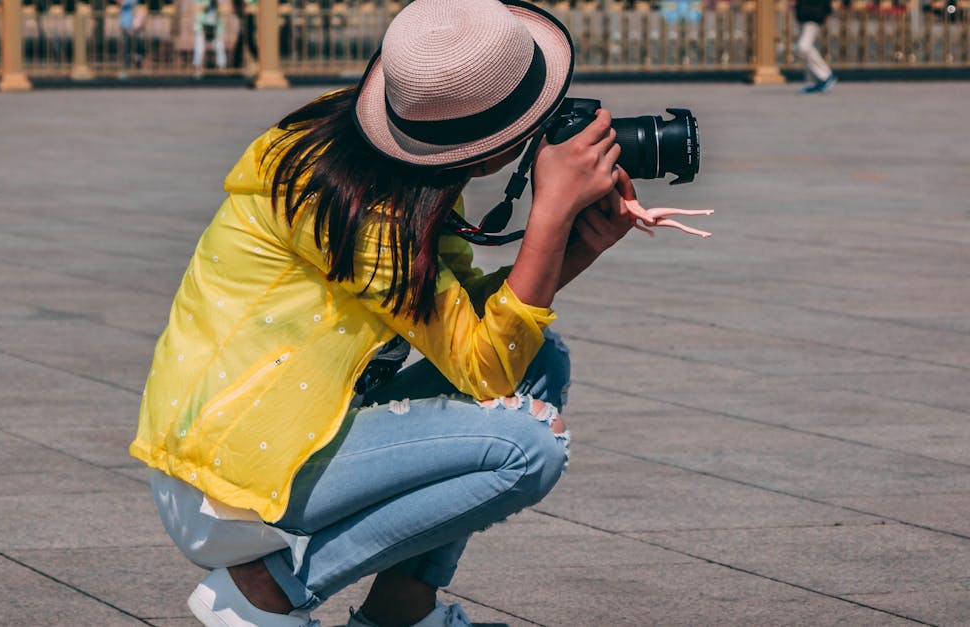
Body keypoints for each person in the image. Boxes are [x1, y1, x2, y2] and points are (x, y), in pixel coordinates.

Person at [131, 0, 641, 625]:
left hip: (307, 429)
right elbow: (486, 367)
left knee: (542, 361)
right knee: (526, 449)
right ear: (485, 154)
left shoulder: (391, 156)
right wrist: (551, 214)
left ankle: (400, 615)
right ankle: (265, 590)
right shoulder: (350, 204)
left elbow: (477, 334)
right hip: (232, 477)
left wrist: (578, 245)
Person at [796, 0, 837, 93]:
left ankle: (825, 76)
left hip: (813, 15)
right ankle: (816, 80)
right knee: (806, 48)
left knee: (803, 47)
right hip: (805, 15)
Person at [192, 0, 226, 77]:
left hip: (215, 26)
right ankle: (197, 69)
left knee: (219, 46)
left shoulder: (215, 2)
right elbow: (198, 11)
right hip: (201, 26)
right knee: (199, 48)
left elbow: (218, 14)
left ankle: (221, 69)